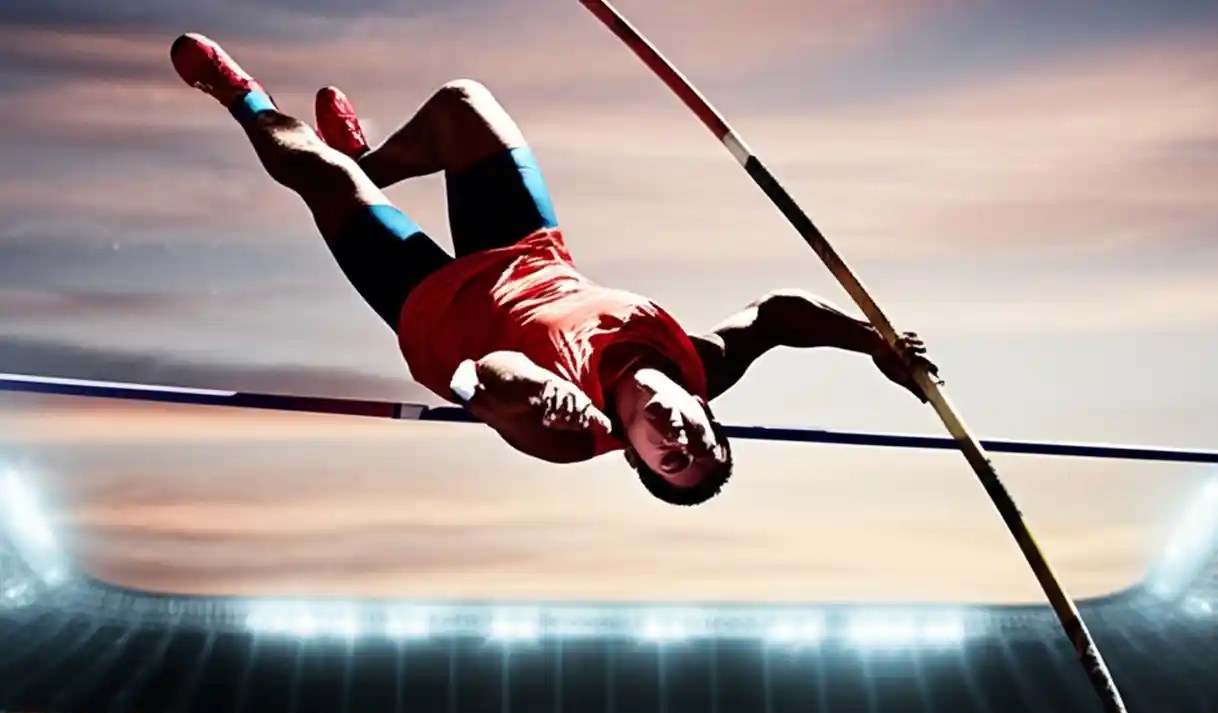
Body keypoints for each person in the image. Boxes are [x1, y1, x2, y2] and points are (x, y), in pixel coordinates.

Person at [169, 33, 935, 506]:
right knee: (460, 104)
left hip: (434, 313)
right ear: (710, 420)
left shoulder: (568, 438)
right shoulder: (700, 366)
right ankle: (372, 159)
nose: (679, 443)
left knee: (322, 180)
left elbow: (484, 378)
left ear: (634, 454)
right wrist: (878, 344)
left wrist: (534, 392)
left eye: (666, 462)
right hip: (530, 255)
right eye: (700, 446)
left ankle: (241, 98)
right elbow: (780, 316)